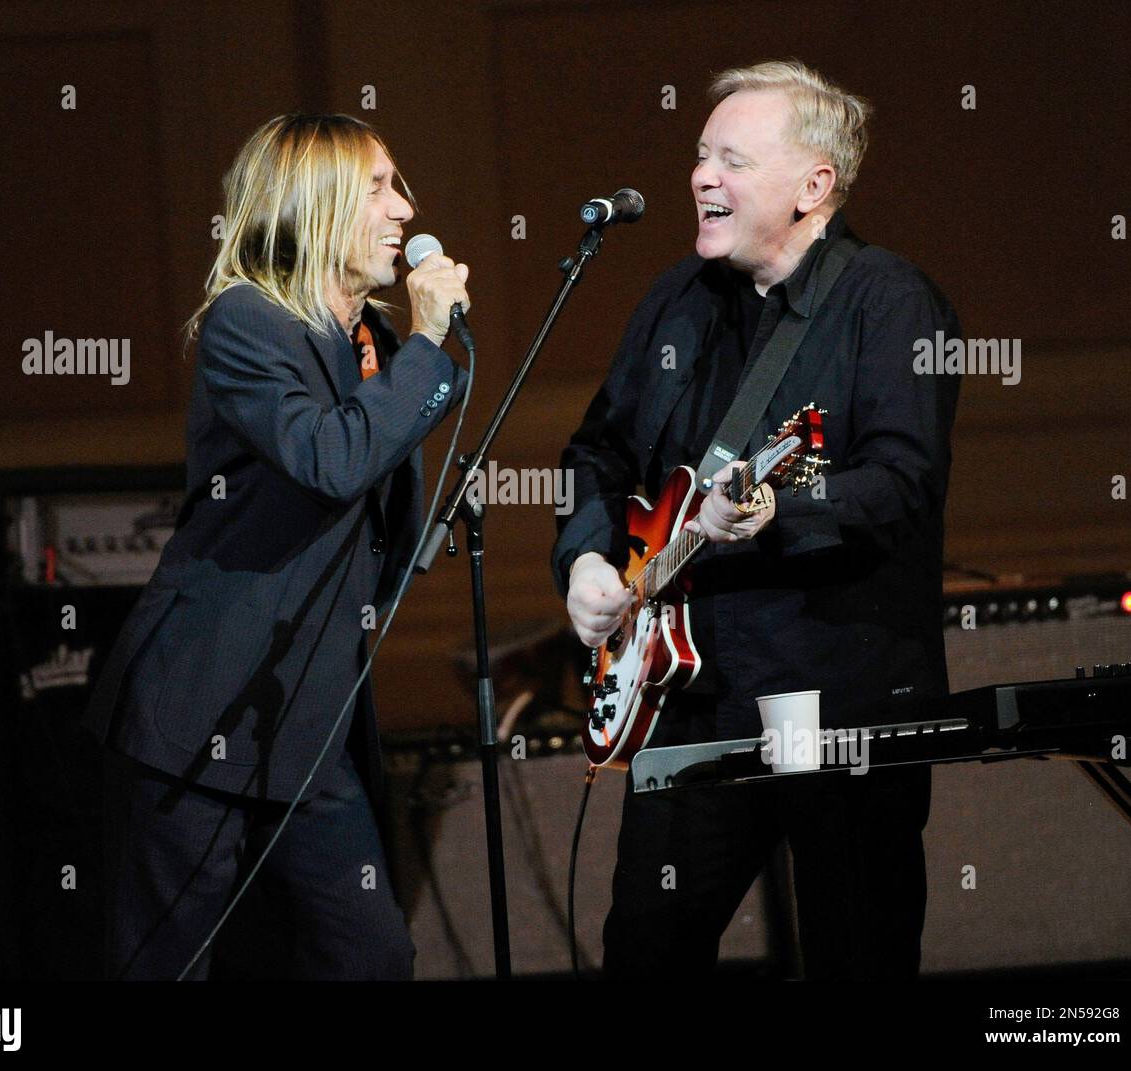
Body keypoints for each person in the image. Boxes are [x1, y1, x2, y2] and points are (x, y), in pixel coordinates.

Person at [553, 61, 962, 979]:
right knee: (646, 956)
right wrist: (584, 559)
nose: (702, 177)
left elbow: (902, 482)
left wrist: (781, 506)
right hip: (688, 702)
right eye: (702, 156)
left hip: (843, 701)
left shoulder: (889, 303)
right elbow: (594, 455)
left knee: (858, 954)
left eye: (732, 160)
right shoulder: (674, 301)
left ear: (815, 186)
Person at [83, 113, 471, 980]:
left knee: (372, 954)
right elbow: (328, 459)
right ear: (314, 203)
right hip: (207, 702)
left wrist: (419, 354)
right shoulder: (249, 323)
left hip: (310, 718)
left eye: (399, 185)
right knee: (168, 963)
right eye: (377, 187)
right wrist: (431, 344)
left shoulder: (371, 341)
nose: (404, 208)